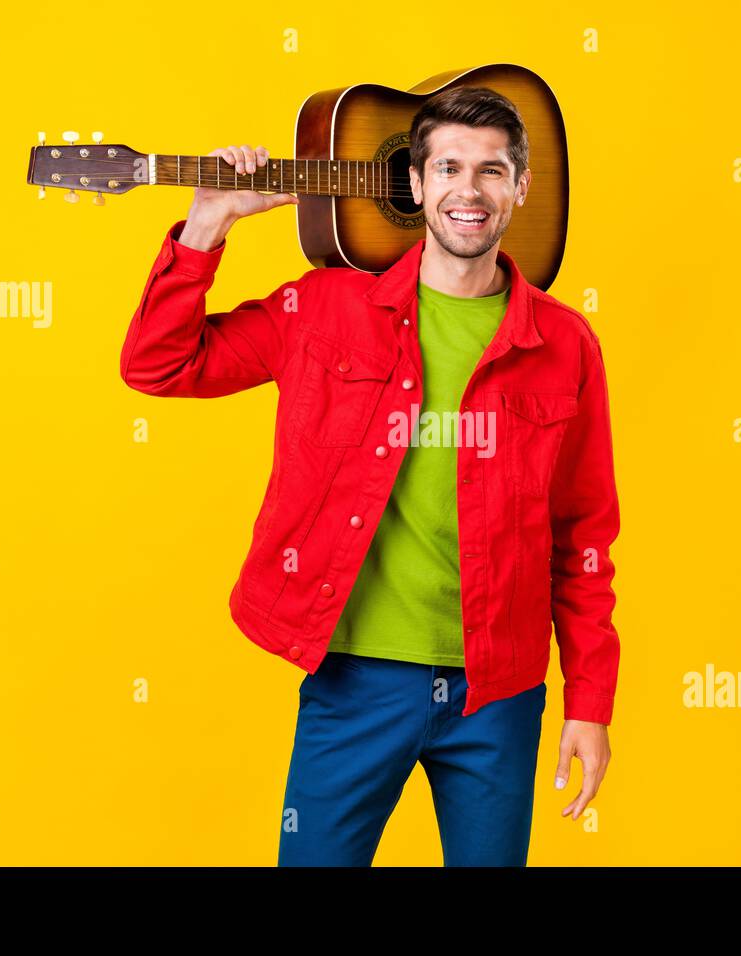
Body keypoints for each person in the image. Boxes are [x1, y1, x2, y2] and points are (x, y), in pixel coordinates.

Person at [119, 85, 620, 866]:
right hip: (355, 684)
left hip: (499, 692)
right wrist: (206, 224)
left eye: (492, 171)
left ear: (521, 188)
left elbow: (584, 535)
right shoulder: (324, 308)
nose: (469, 190)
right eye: (448, 167)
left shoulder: (565, 344)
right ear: (415, 185)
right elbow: (159, 364)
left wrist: (589, 703)